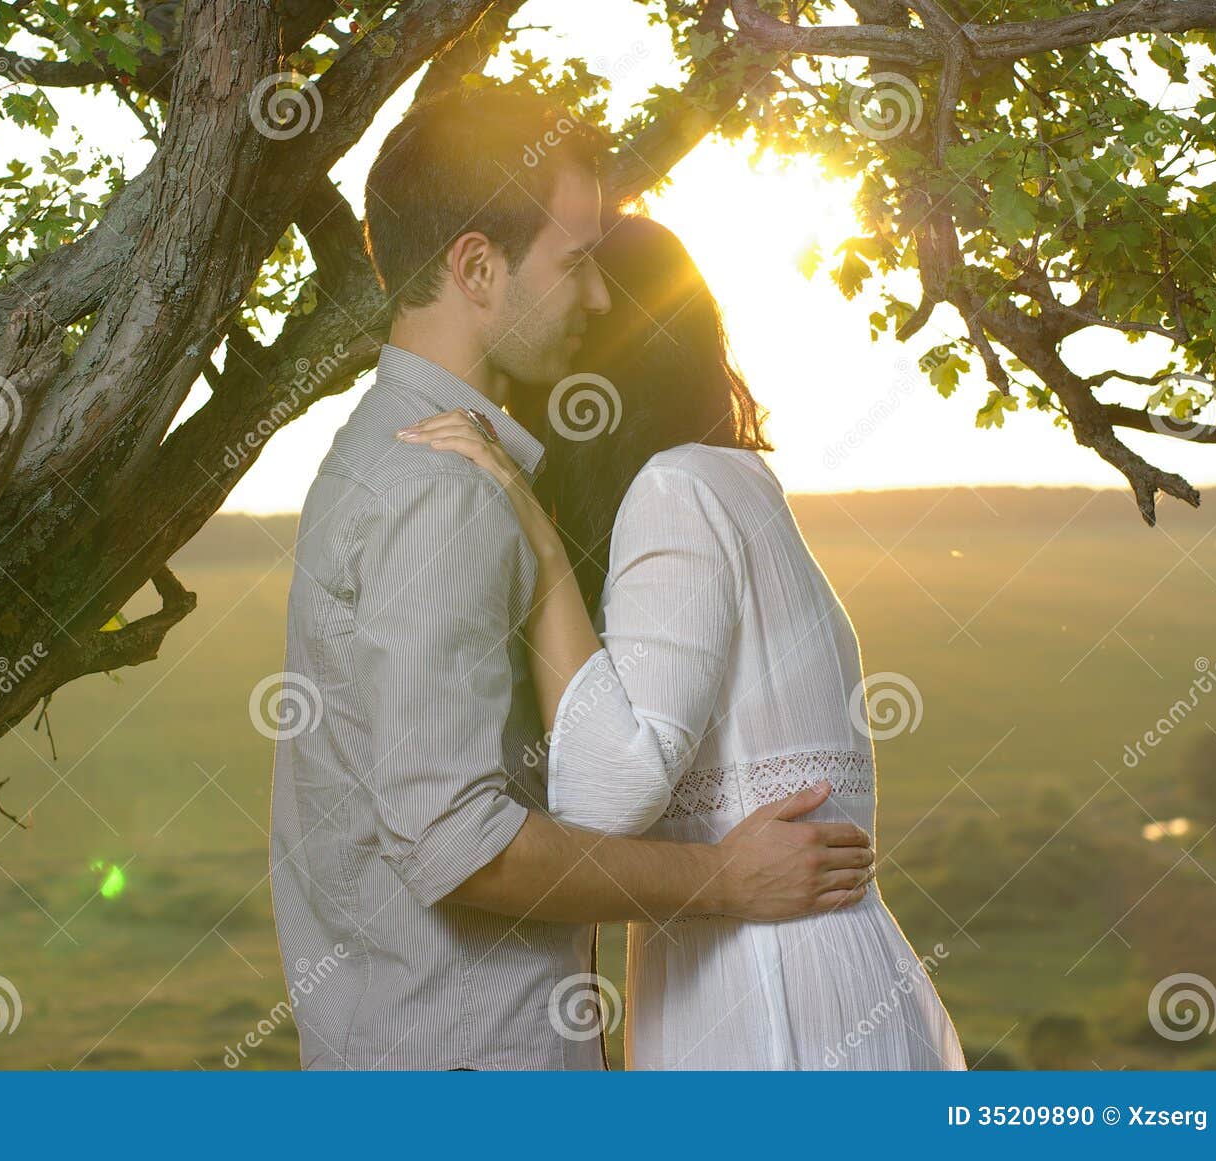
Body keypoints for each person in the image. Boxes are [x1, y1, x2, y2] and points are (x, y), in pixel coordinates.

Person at [267, 88, 875, 1071]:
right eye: (577, 262)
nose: (598, 300)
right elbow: (459, 840)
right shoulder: (446, 487)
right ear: (475, 267)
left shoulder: (397, 455)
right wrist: (725, 878)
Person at [397, 209, 965, 1069]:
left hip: (768, 1002)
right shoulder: (730, 478)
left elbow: (605, 794)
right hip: (799, 978)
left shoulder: (677, 490)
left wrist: (543, 548)